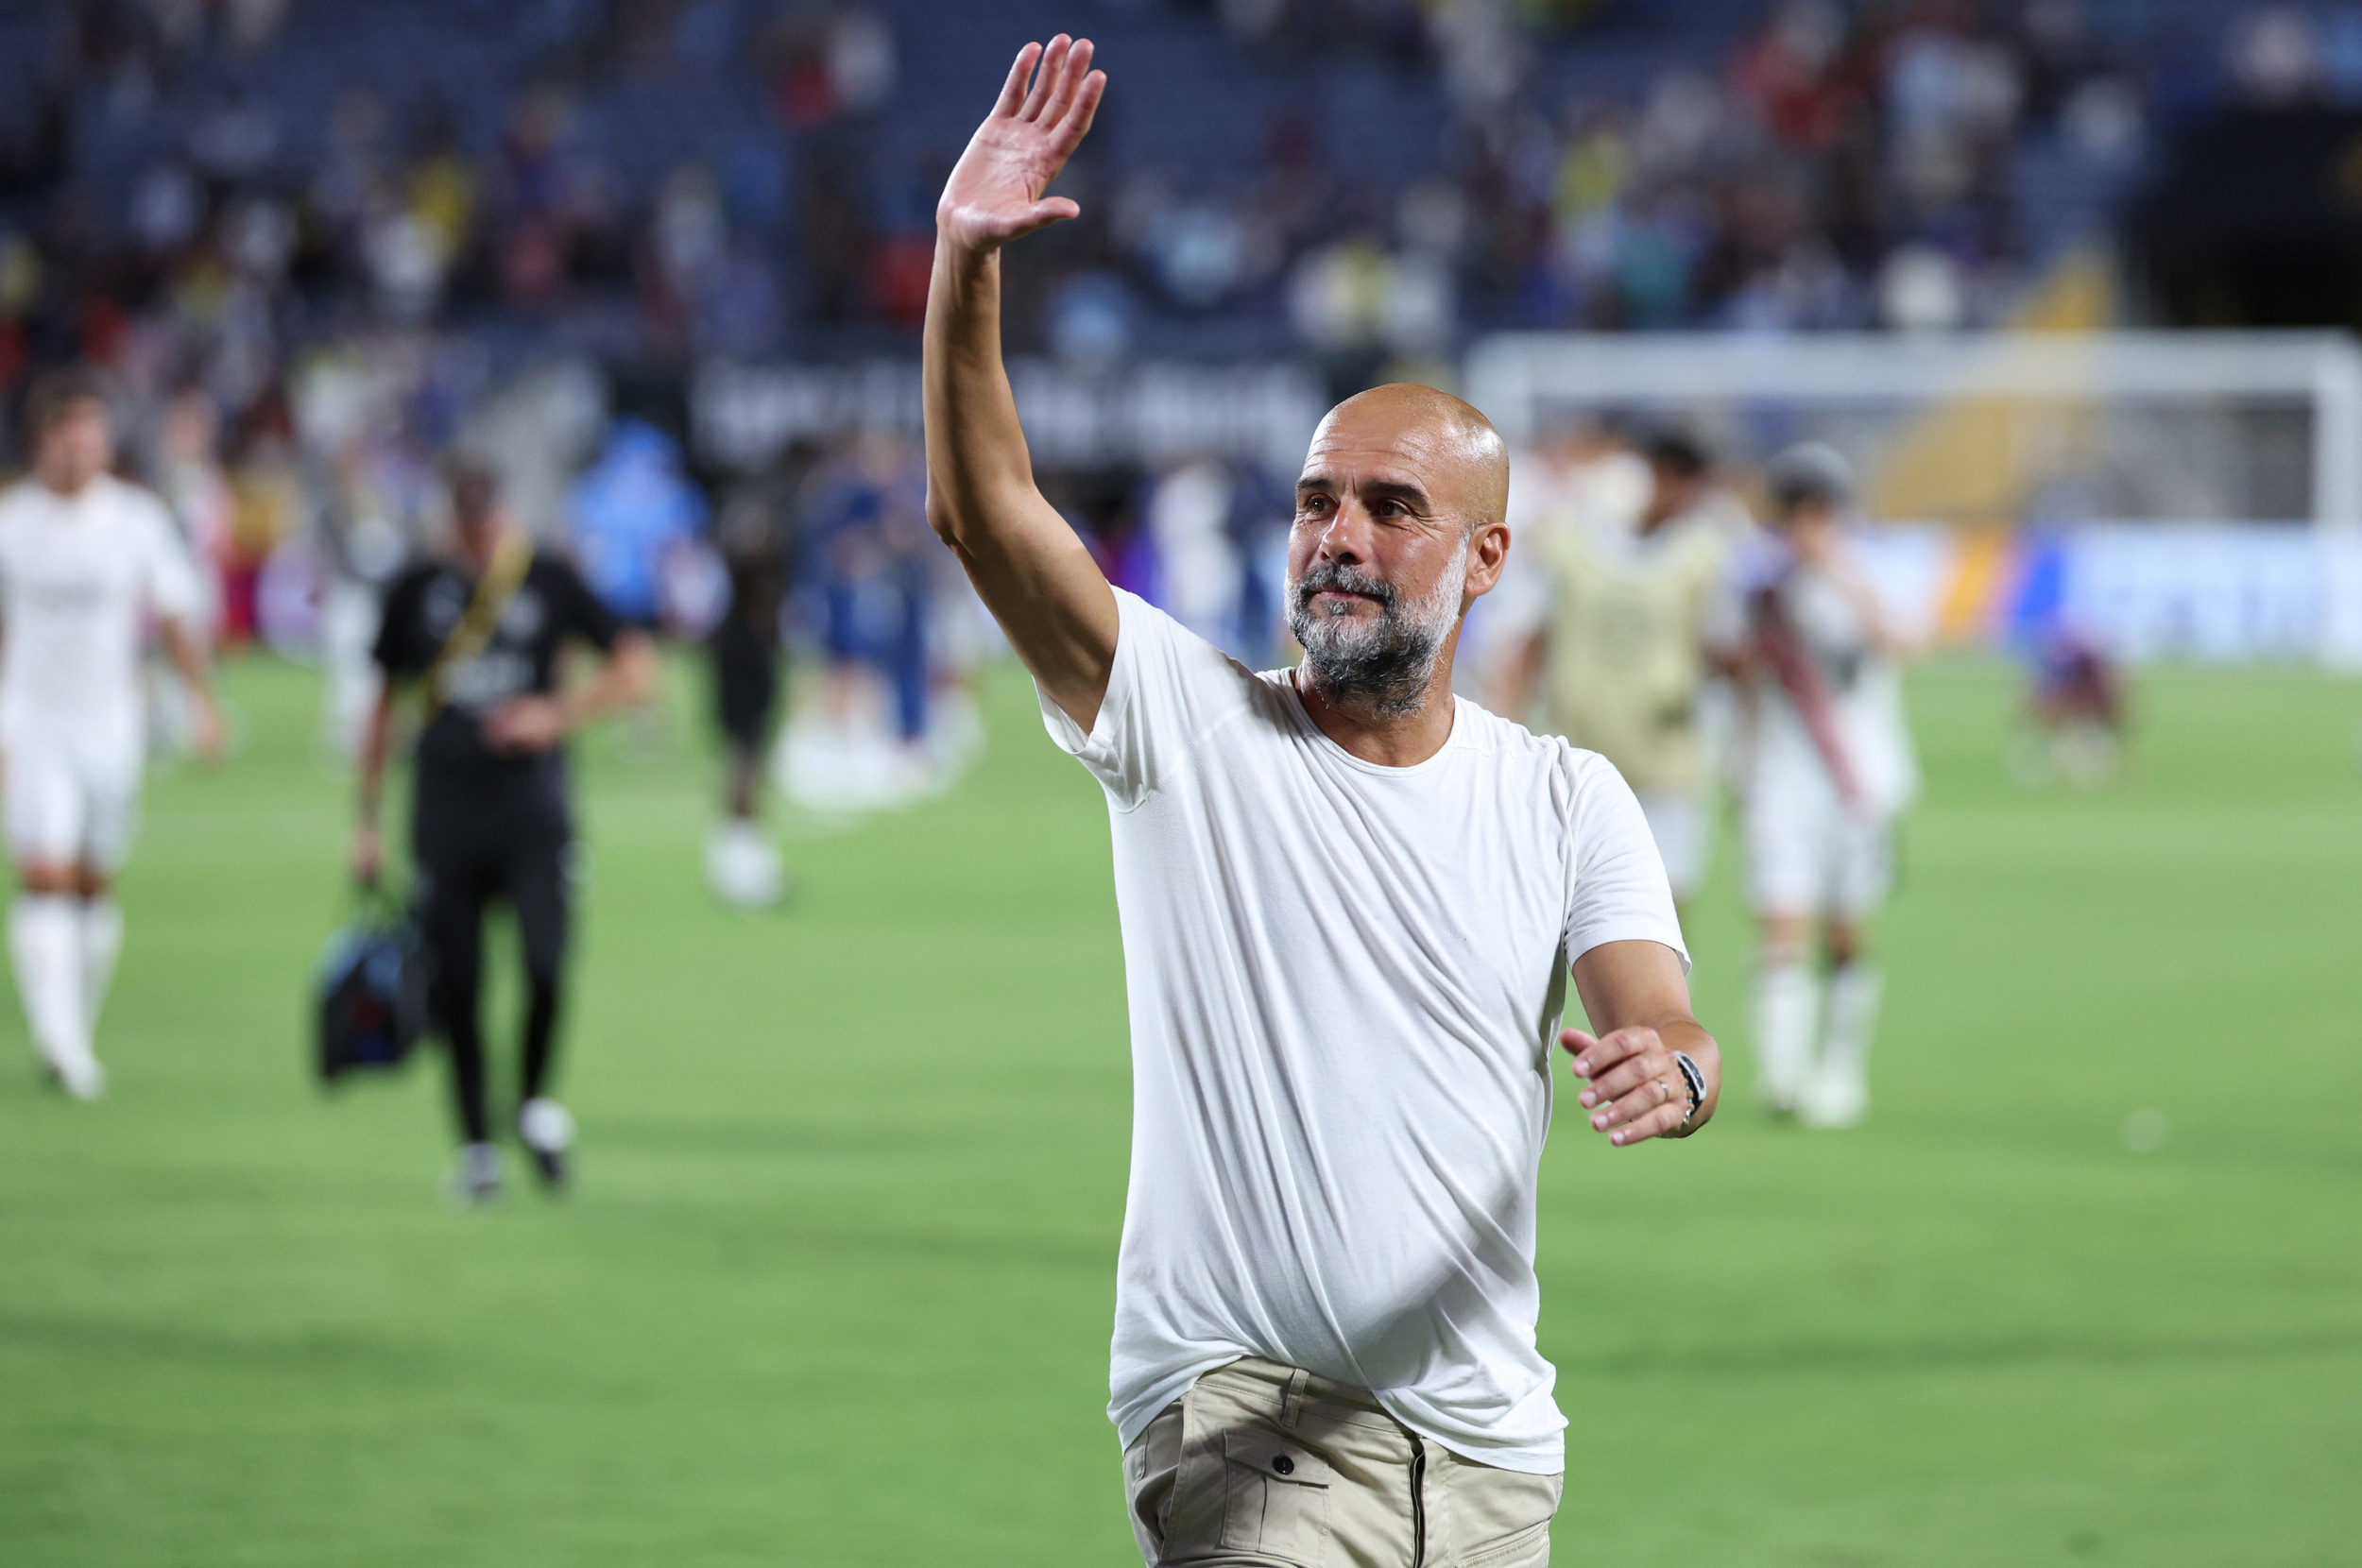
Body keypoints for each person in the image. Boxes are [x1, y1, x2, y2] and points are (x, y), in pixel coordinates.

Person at [925, 38, 1721, 1567]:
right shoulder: (1186, 727)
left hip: (1492, 1448)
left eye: (1389, 507)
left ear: (1486, 561)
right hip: (1249, 1421)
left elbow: (1663, 1017)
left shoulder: (1565, 799)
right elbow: (981, 511)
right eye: (1315, 500)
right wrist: (966, 266)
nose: (1336, 537)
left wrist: (1671, 1075)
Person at [353, 462, 655, 1204]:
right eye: (466, 518)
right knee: (458, 984)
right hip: (444, 810)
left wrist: (556, 715)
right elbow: (383, 704)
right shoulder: (416, 587)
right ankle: (477, 1147)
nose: (478, 532)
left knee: (546, 967)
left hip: (532, 812)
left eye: (486, 517)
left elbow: (637, 668)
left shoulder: (547, 577)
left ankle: (534, 1103)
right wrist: (364, 822)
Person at [1, 368, 226, 1101]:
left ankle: (75, 1027)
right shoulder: (11, 524)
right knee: (45, 873)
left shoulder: (135, 519)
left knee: (95, 881)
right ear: (44, 441)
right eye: (68, 436)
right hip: (31, 720)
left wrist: (202, 704)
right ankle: (59, 1041)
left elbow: (170, 616)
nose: (80, 450)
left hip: (111, 724)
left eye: (91, 436)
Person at [1727, 443, 1918, 1129]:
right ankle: (1782, 1076)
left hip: (1857, 782)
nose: (1805, 527)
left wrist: (1842, 576)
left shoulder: (1867, 575)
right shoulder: (1761, 592)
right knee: (1781, 922)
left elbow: (1905, 643)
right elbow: (1742, 679)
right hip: (1782, 779)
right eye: (1794, 513)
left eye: (1818, 512)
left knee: (1844, 932)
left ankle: (1841, 1068)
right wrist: (1738, 769)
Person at [1506, 430, 1742, 911]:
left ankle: (1664, 988)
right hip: (1579, 748)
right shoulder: (1569, 546)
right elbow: (1532, 640)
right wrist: (1511, 721)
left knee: (1667, 898)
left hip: (1666, 755)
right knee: (1569, 896)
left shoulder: (1704, 558)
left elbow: (1726, 652)